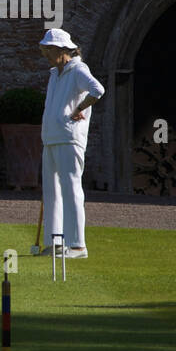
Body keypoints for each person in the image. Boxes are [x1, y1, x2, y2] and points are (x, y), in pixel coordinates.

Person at [38, 28, 105, 259]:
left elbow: (98, 90)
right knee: (52, 192)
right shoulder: (54, 74)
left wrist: (80, 108)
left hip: (69, 137)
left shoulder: (78, 69)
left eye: (49, 49)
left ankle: (77, 245)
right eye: (44, 50)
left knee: (71, 189)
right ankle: (55, 243)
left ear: (63, 49)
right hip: (51, 138)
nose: (46, 54)